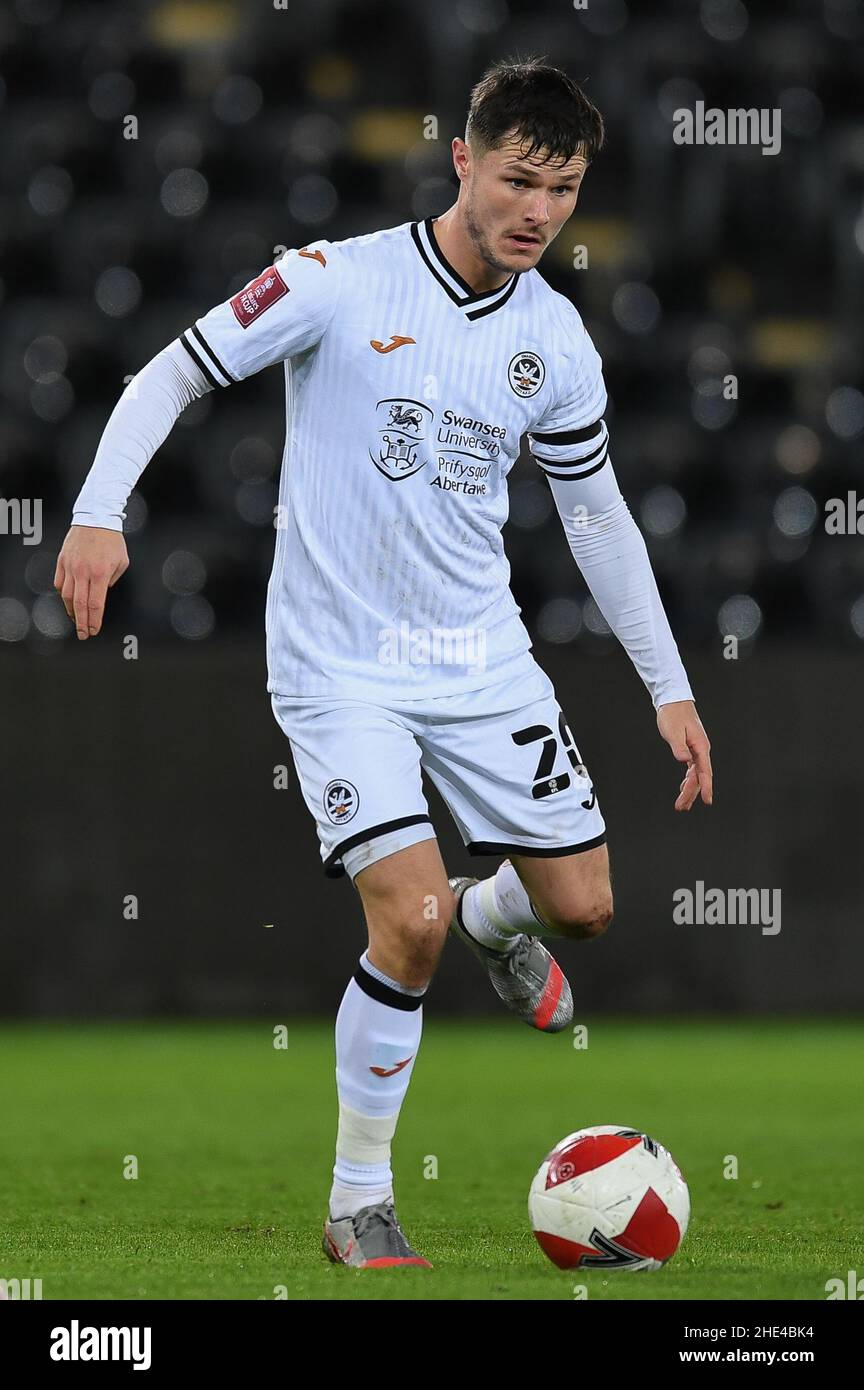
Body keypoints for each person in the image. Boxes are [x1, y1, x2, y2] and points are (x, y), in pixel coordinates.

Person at [54, 57, 712, 1271]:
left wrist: (670, 686)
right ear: (461, 159)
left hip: (483, 662)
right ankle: (360, 1197)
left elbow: (600, 518)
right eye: (518, 179)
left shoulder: (558, 342)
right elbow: (171, 372)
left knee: (586, 908)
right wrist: (102, 511)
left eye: (564, 189)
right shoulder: (333, 280)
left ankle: (491, 916)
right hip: (338, 665)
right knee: (403, 921)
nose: (539, 211)